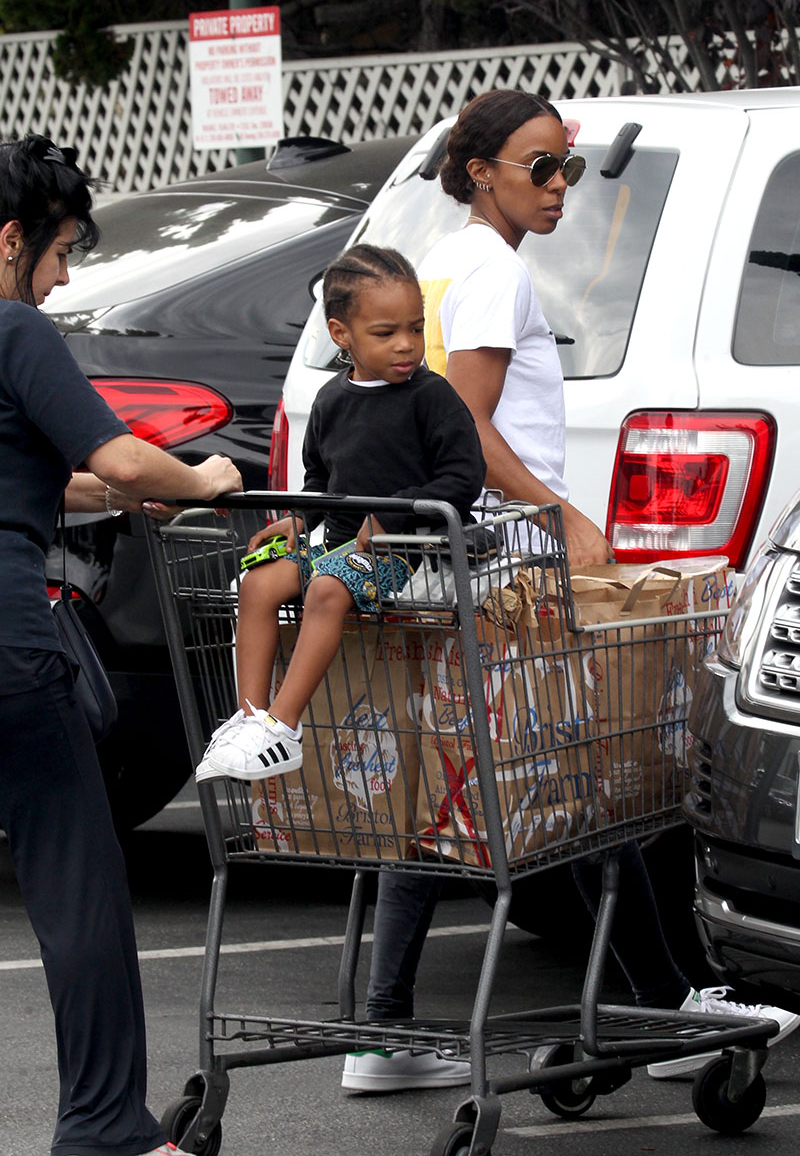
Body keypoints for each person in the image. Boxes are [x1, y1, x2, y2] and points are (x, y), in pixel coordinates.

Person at [342, 90, 799, 1095]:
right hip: (506, 564)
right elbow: (461, 431)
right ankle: (668, 1008)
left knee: (492, 789)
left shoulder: (440, 264)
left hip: (462, 564)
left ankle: (387, 1028)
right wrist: (561, 517)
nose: (558, 187)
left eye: (567, 169)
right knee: (574, 790)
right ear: (480, 175)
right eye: (538, 168)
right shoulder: (494, 273)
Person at [0, 133, 242, 1156]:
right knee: (76, 884)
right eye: (56, 255)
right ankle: (104, 1125)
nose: (59, 283)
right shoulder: (14, 328)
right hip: (10, 653)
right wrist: (200, 480)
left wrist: (100, 489)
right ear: (11, 240)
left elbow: (64, 474)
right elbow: (123, 453)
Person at [193, 244, 486, 785]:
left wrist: (394, 518)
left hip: (410, 556)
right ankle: (251, 719)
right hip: (342, 548)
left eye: (416, 329)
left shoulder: (433, 397)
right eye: (386, 332)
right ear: (341, 333)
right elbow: (321, 483)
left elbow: (463, 479)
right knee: (257, 581)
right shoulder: (331, 401)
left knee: (326, 589)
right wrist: (299, 519)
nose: (407, 345)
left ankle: (283, 726)